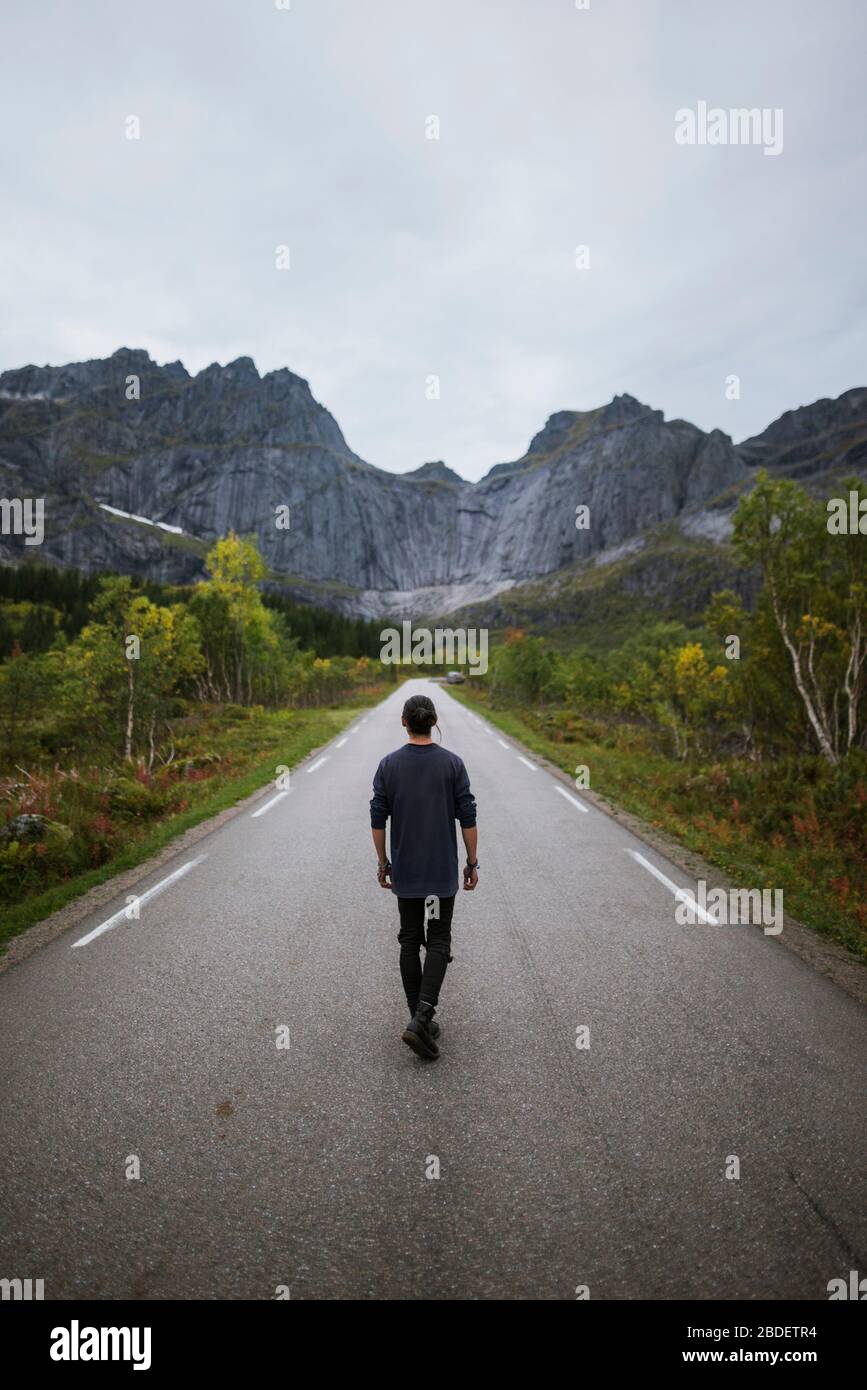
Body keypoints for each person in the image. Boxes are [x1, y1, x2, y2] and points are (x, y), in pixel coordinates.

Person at [370, 692, 478, 1060]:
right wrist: (472, 862)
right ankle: (422, 1018)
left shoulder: (388, 765)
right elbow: (468, 816)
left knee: (410, 939)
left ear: (404, 721)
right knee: (438, 939)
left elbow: (377, 818)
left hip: (408, 871)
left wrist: (384, 863)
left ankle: (419, 1018)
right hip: (440, 872)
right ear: (433, 722)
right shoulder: (452, 764)